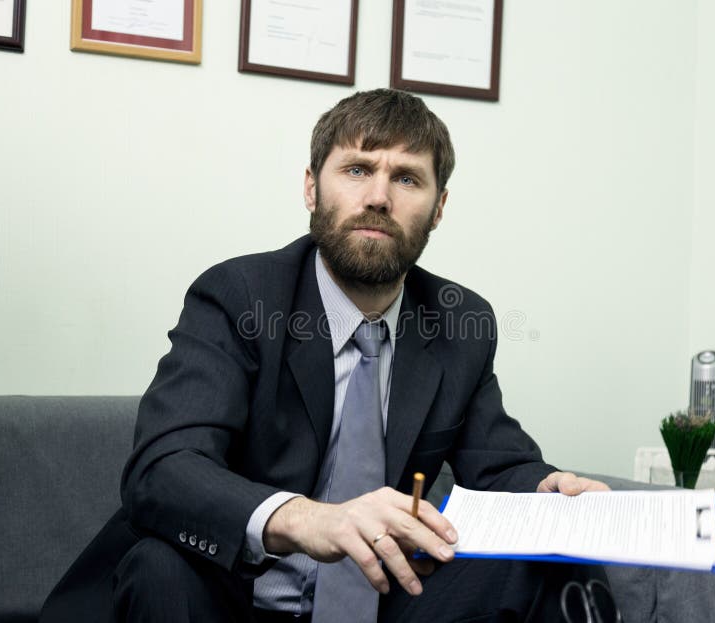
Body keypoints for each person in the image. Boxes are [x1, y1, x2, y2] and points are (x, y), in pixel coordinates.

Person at [41, 88, 609, 623]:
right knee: (162, 568)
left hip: (384, 601)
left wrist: (548, 488)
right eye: (357, 170)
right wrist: (311, 519)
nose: (379, 197)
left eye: (407, 178)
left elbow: (499, 464)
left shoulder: (460, 323)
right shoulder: (240, 297)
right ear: (312, 188)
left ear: (438, 208)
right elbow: (165, 468)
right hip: (231, 596)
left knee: (557, 562)